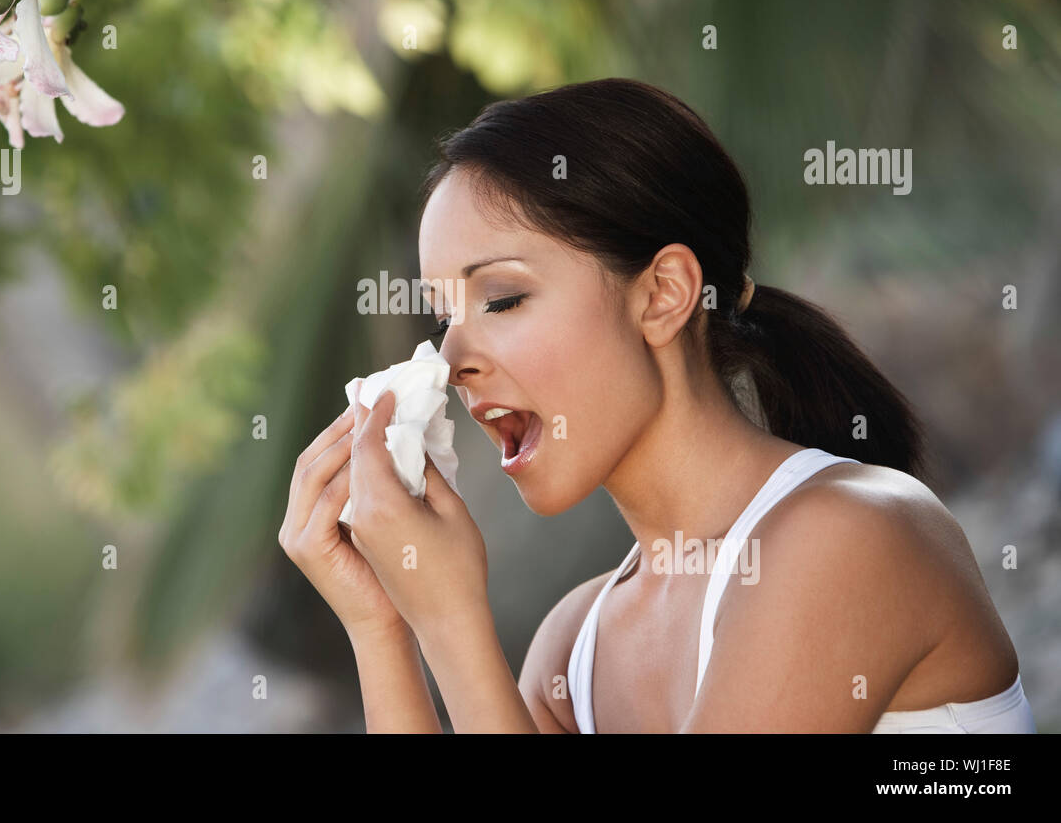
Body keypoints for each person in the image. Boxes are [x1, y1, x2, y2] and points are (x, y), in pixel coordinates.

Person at [278, 78, 1035, 733]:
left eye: (502, 298)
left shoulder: (850, 539)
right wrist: (382, 623)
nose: (450, 361)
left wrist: (450, 619)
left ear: (665, 294)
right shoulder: (574, 646)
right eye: (443, 319)